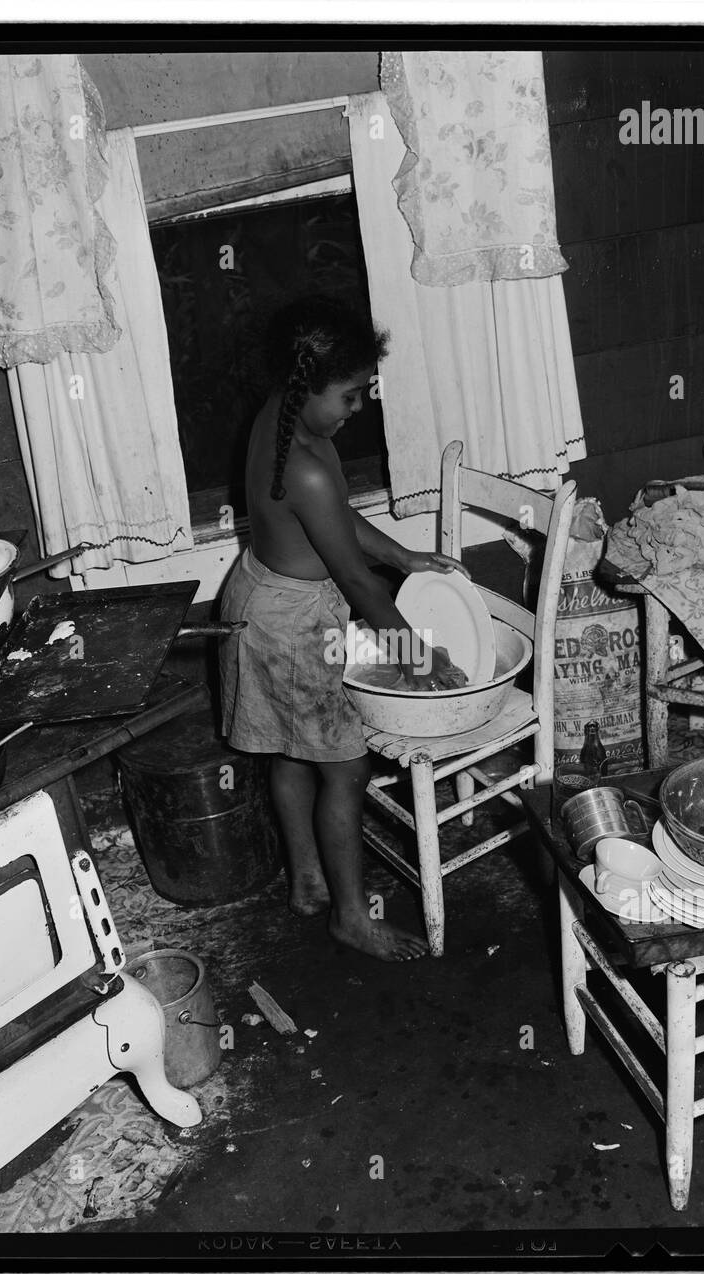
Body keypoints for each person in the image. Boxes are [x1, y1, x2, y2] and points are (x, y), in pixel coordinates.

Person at [219, 295, 469, 961]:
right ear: (311, 387)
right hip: (294, 624)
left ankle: (306, 877)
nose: (358, 408)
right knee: (347, 768)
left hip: (262, 599)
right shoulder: (303, 461)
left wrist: (399, 553)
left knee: (291, 749)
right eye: (352, 395)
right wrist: (414, 656)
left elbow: (335, 525)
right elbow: (355, 583)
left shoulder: (285, 424)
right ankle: (352, 917)